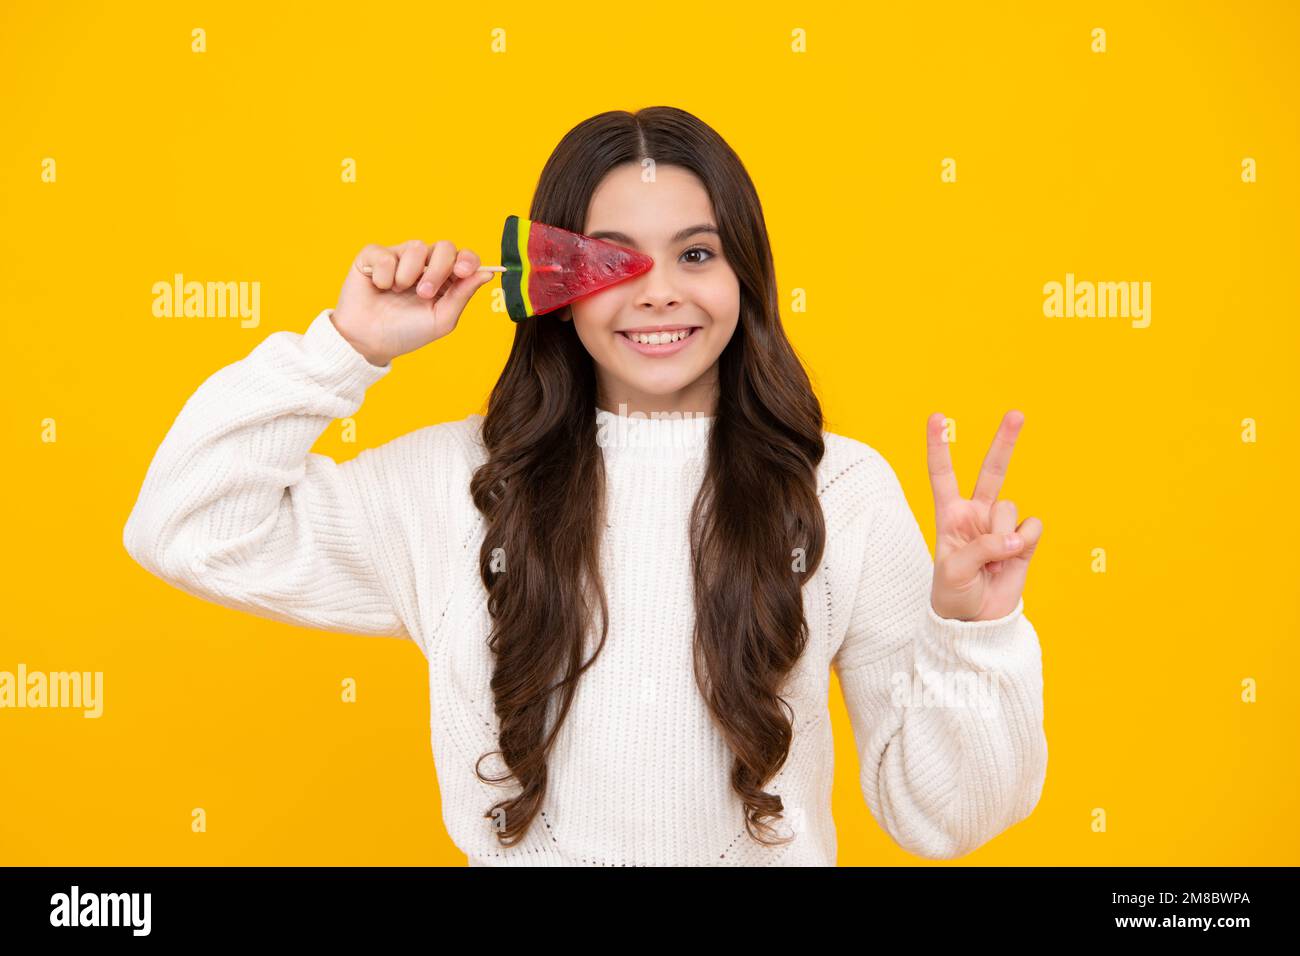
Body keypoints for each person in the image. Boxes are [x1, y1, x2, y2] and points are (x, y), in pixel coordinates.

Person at [123, 105, 1047, 866]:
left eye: (696, 254)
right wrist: (347, 347)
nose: (656, 295)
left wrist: (973, 631)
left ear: (746, 275)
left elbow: (946, 820)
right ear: (555, 282)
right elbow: (185, 527)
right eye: (618, 261)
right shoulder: (455, 485)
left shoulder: (839, 489)